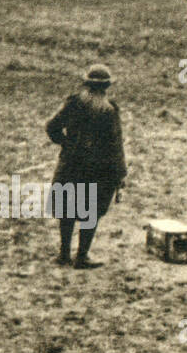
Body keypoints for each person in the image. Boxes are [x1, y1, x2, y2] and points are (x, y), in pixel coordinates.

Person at [45, 64, 127, 268]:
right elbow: (115, 145)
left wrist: (66, 143)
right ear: (107, 86)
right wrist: (119, 174)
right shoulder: (109, 110)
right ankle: (82, 257)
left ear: (86, 83)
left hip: (71, 165)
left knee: (67, 208)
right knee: (91, 211)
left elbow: (52, 126)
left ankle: (64, 254)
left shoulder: (73, 103)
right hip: (97, 170)